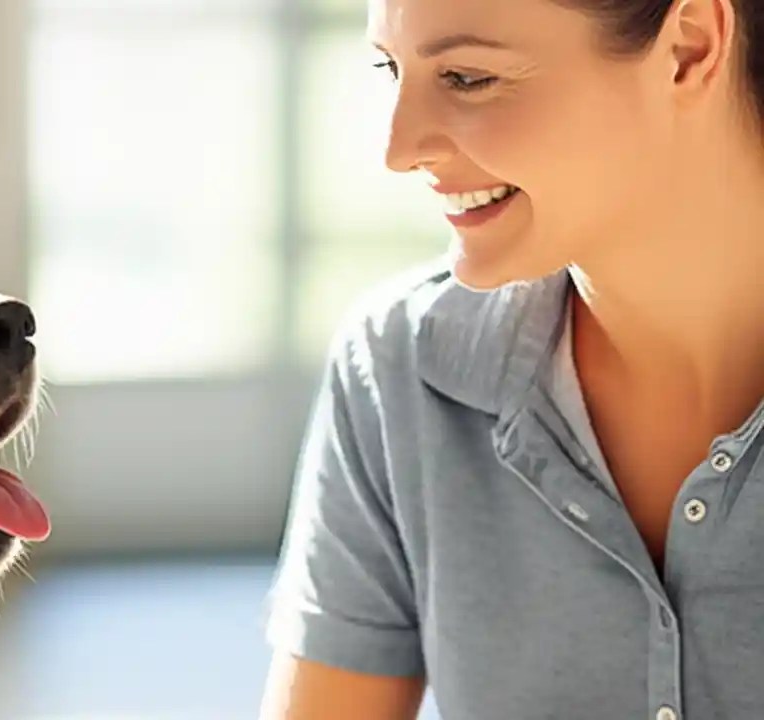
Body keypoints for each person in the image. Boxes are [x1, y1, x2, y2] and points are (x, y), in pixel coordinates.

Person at [258, 0, 764, 717]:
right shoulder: (400, 368)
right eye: (390, 68)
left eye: (467, 78)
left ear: (688, 47)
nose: (399, 150)